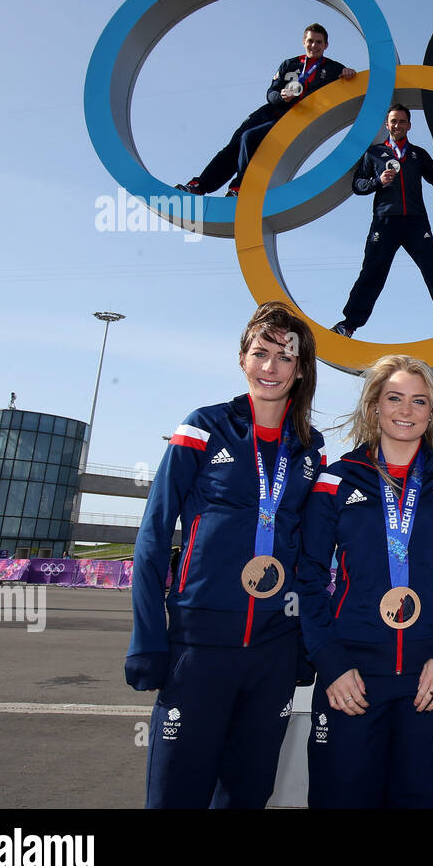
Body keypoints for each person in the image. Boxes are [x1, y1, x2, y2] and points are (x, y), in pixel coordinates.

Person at [125, 302, 325, 808]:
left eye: (284, 357)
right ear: (242, 359)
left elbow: (309, 556)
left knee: (247, 794)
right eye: (260, 353)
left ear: (301, 368)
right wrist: (147, 637)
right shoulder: (202, 427)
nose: (270, 367)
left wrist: (303, 644)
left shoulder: (310, 449)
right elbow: (152, 536)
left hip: (273, 650)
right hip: (198, 645)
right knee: (175, 795)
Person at [296, 355, 433, 808]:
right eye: (395, 398)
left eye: (419, 401)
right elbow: (308, 577)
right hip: (351, 679)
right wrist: (330, 662)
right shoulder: (335, 480)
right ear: (374, 407)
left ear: (432, 411)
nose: (406, 410)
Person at [332, 105, 433, 337]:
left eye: (402, 121)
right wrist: (378, 181)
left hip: (416, 222)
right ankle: (348, 325)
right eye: (393, 121)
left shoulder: (418, 155)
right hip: (385, 222)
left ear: (409, 125)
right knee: (372, 273)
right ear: (387, 124)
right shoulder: (373, 153)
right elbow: (358, 185)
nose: (397, 125)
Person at [176, 23, 357, 197]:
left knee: (250, 138)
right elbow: (271, 92)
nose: (314, 45)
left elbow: (348, 80)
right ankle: (199, 186)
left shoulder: (333, 68)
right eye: (310, 41)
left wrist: (348, 72)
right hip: (269, 111)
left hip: (293, 119)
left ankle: (240, 188)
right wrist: (281, 96)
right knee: (234, 145)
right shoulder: (290, 64)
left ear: (326, 45)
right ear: (304, 42)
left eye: (319, 42)